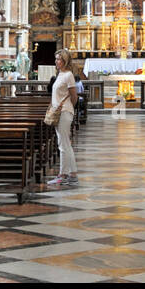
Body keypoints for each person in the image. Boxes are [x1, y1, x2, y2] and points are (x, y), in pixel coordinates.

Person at [47, 51, 79, 188]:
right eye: (56, 59)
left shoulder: (68, 75)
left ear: (65, 61)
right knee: (65, 143)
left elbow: (74, 96)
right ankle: (73, 174)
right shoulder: (60, 74)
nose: (56, 61)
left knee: (63, 144)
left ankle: (63, 175)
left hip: (64, 112)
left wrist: (67, 108)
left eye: (59, 59)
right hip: (59, 111)